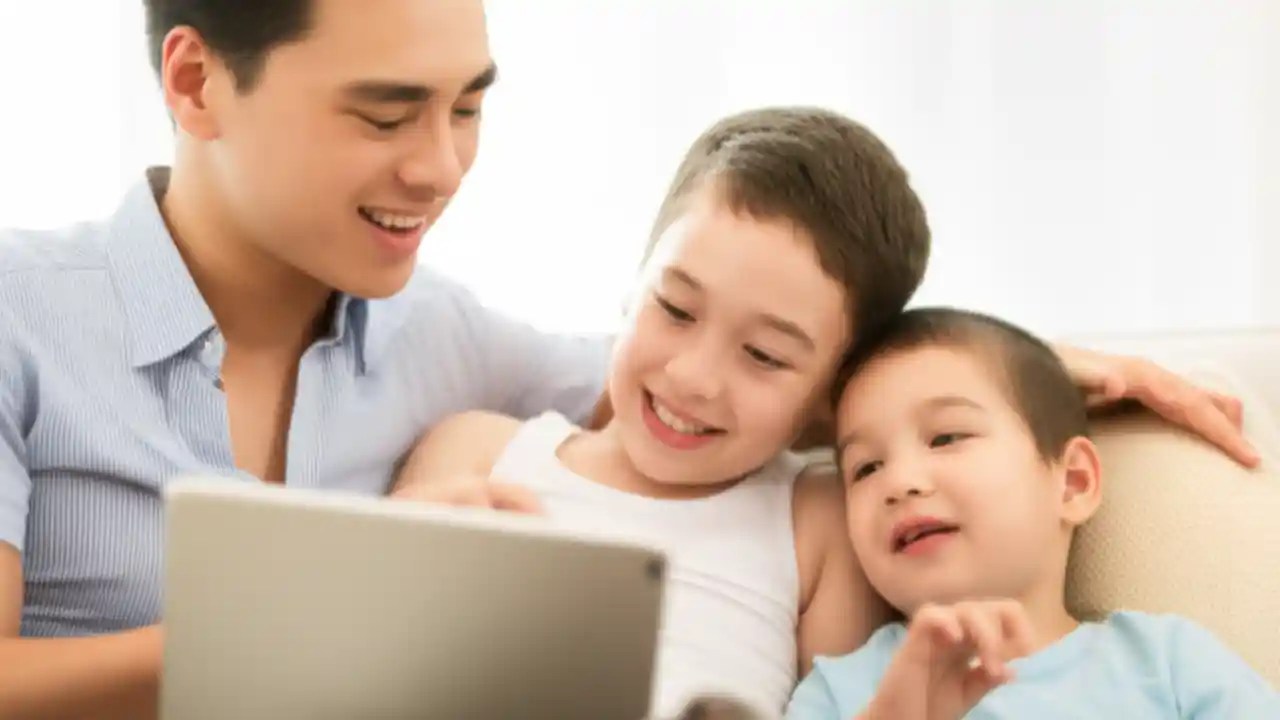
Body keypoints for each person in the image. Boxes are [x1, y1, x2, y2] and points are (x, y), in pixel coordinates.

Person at [0, 0, 1257, 717]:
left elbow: (712, 389)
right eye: (385, 114)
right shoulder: (21, 317)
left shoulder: (441, 342)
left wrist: (1016, 376)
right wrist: (308, 629)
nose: (440, 168)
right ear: (195, 79)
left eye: (469, 107)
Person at [396, 105, 929, 717]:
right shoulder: (481, 450)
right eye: (675, 309)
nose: (693, 378)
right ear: (635, 285)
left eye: (763, 354)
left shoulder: (818, 521)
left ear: (831, 396)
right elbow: (365, 641)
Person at [786, 308, 1279, 719]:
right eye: (865, 468)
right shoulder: (839, 693)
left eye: (947, 437)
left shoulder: (1169, 663)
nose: (899, 482)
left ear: (1073, 482)